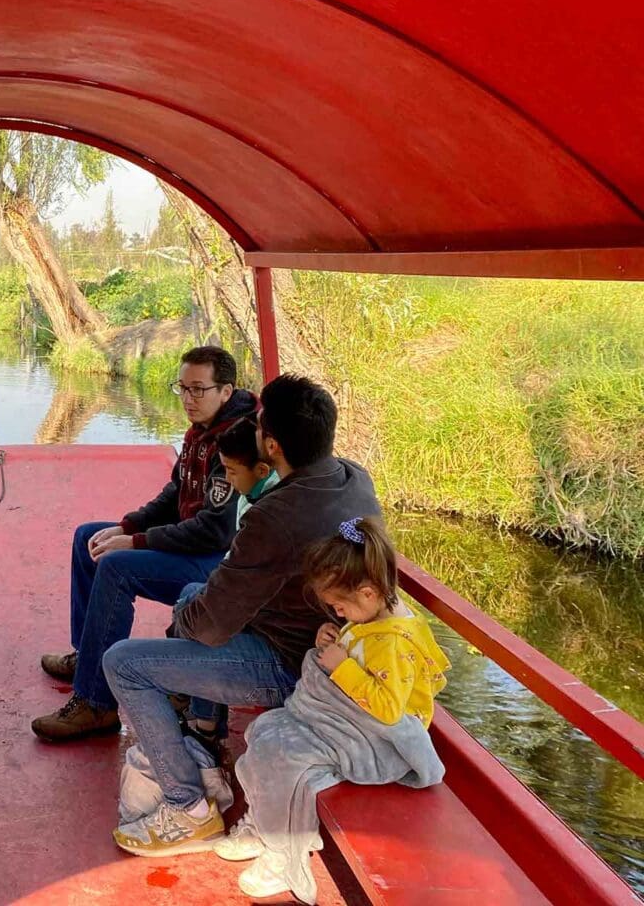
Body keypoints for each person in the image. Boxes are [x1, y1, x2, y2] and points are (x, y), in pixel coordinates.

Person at [103, 373, 381, 858]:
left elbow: (211, 625)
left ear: (270, 446)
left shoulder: (273, 516)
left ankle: (186, 807)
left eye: (256, 424)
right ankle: (204, 740)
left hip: (292, 667)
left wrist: (183, 620)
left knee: (125, 661)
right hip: (324, 640)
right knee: (194, 591)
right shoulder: (353, 478)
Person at [215, 516, 449, 901]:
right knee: (264, 730)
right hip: (349, 718)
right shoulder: (374, 616)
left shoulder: (393, 643)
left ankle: (282, 852)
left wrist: (341, 666)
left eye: (339, 607)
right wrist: (334, 637)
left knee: (284, 756)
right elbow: (359, 646)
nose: (337, 612)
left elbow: (388, 710)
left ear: (369, 593)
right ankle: (264, 821)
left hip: (381, 742)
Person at [33, 346, 258, 742]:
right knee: (90, 536)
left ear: (226, 391)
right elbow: (176, 491)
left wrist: (136, 542)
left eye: (198, 390)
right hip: (191, 544)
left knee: (117, 566)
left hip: (218, 562)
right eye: (182, 388)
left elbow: (214, 532)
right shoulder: (200, 429)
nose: (188, 399)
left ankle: (97, 704)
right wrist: (127, 525)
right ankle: (89, 657)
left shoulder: (236, 441)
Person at [216, 417, 279, 534]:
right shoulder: (250, 493)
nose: (227, 479)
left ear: (261, 471)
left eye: (232, 472)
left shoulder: (270, 513)